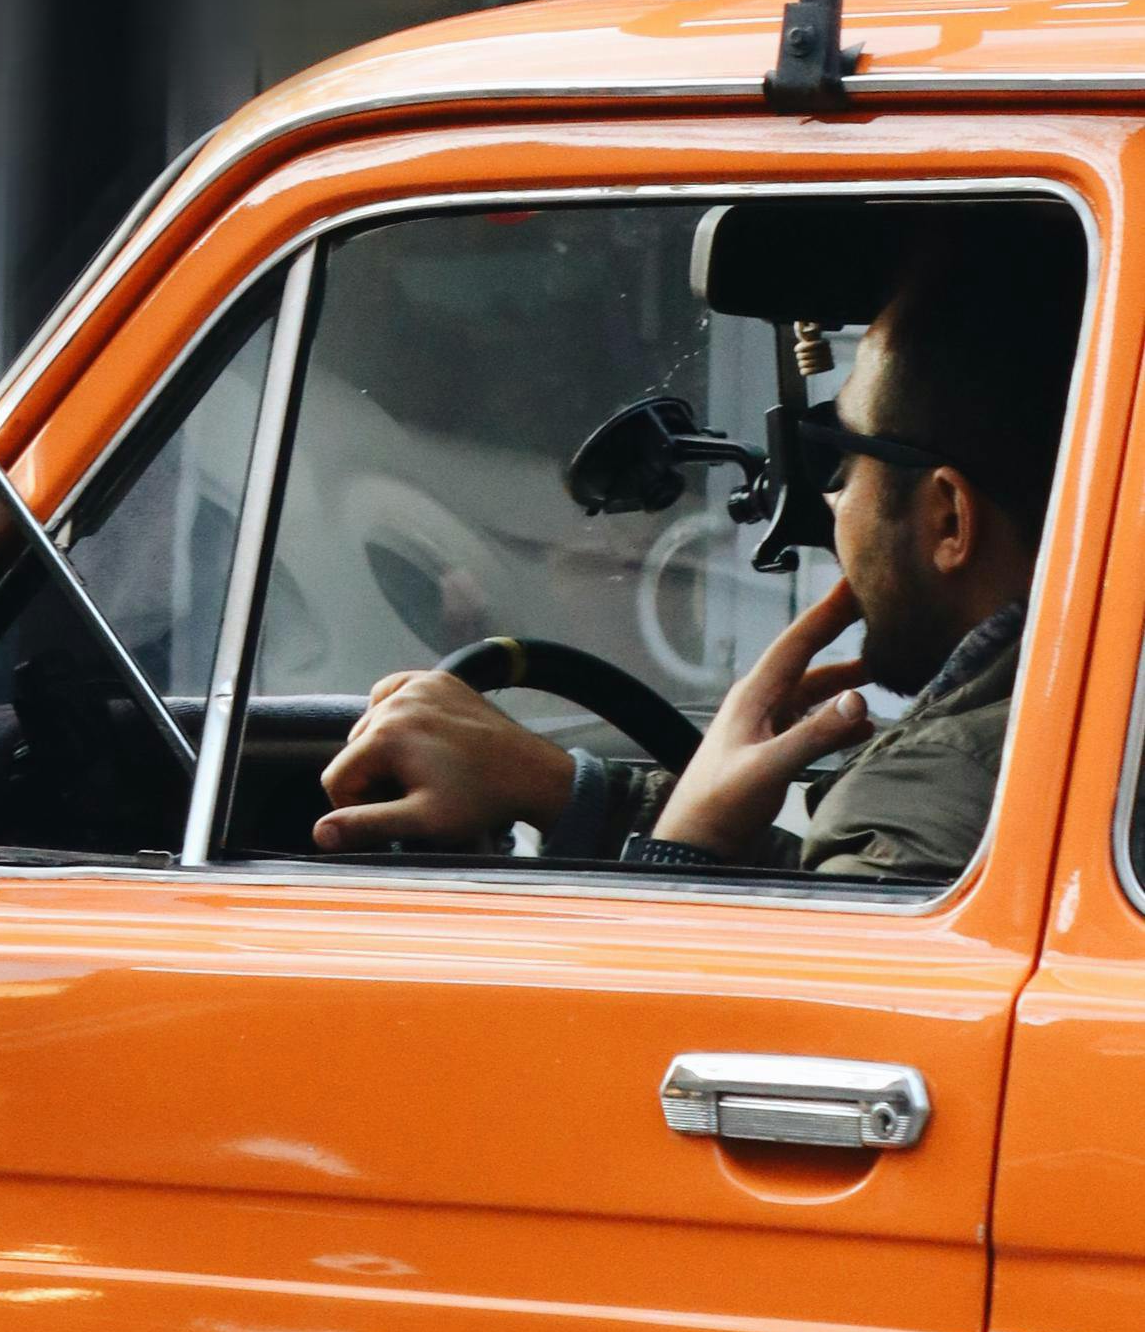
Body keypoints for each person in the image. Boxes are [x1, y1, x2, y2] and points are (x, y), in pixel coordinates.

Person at [315, 210, 1081, 881]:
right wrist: (574, 792)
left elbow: (741, 1038)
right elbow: (849, 907)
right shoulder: (1041, 765)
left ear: (948, 518)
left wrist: (683, 849)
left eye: (837, 458)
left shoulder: (946, 788)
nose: (827, 502)